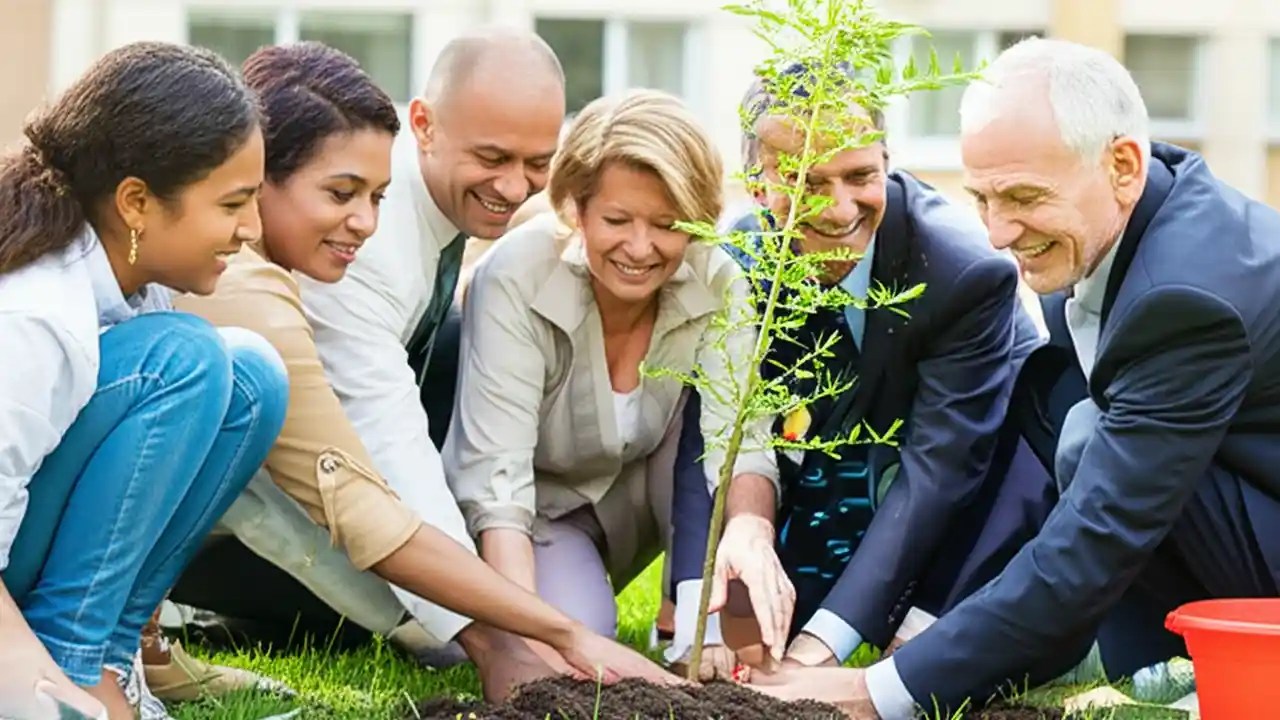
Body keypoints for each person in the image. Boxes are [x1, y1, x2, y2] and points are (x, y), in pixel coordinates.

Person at [755, 36, 1280, 719]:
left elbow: (1099, 533)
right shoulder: (1111, 219)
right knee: (1046, 396)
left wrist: (877, 691)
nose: (998, 233)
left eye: (1024, 197)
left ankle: (1205, 663)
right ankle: (1149, 662)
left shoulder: (1185, 299)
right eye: (983, 199)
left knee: (1090, 438)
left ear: (1122, 164)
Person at [169, 41, 675, 700]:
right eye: (492, 158)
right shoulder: (333, 265)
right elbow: (370, 467)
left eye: (537, 163)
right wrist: (500, 637)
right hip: (220, 530)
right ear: (426, 127)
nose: (516, 186)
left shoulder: (412, 211)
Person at [676, 60, 1051, 674]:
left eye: (859, 175)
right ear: (756, 181)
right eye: (805, 182)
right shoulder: (737, 261)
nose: (837, 208)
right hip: (833, 467)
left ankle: (926, 621)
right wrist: (715, 621)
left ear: (887, 161)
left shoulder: (963, 273)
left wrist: (816, 655)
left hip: (973, 480)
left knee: (901, 631)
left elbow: (940, 471)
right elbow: (719, 431)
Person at [441, 88, 788, 681]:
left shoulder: (718, 279)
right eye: (617, 220)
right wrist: (520, 642)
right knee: (567, 642)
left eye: (666, 224)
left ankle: (689, 623)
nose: (640, 247)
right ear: (576, 208)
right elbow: (496, 478)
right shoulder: (517, 277)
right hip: (537, 511)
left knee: (708, 435)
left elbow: (739, 438)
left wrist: (752, 535)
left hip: (637, 498)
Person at [0, 42, 287, 720]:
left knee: (250, 377)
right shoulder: (34, 318)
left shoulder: (131, 284)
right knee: (181, 361)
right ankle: (70, 658)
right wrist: (37, 687)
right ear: (136, 201)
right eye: (234, 203)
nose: (252, 228)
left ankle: (105, 655)